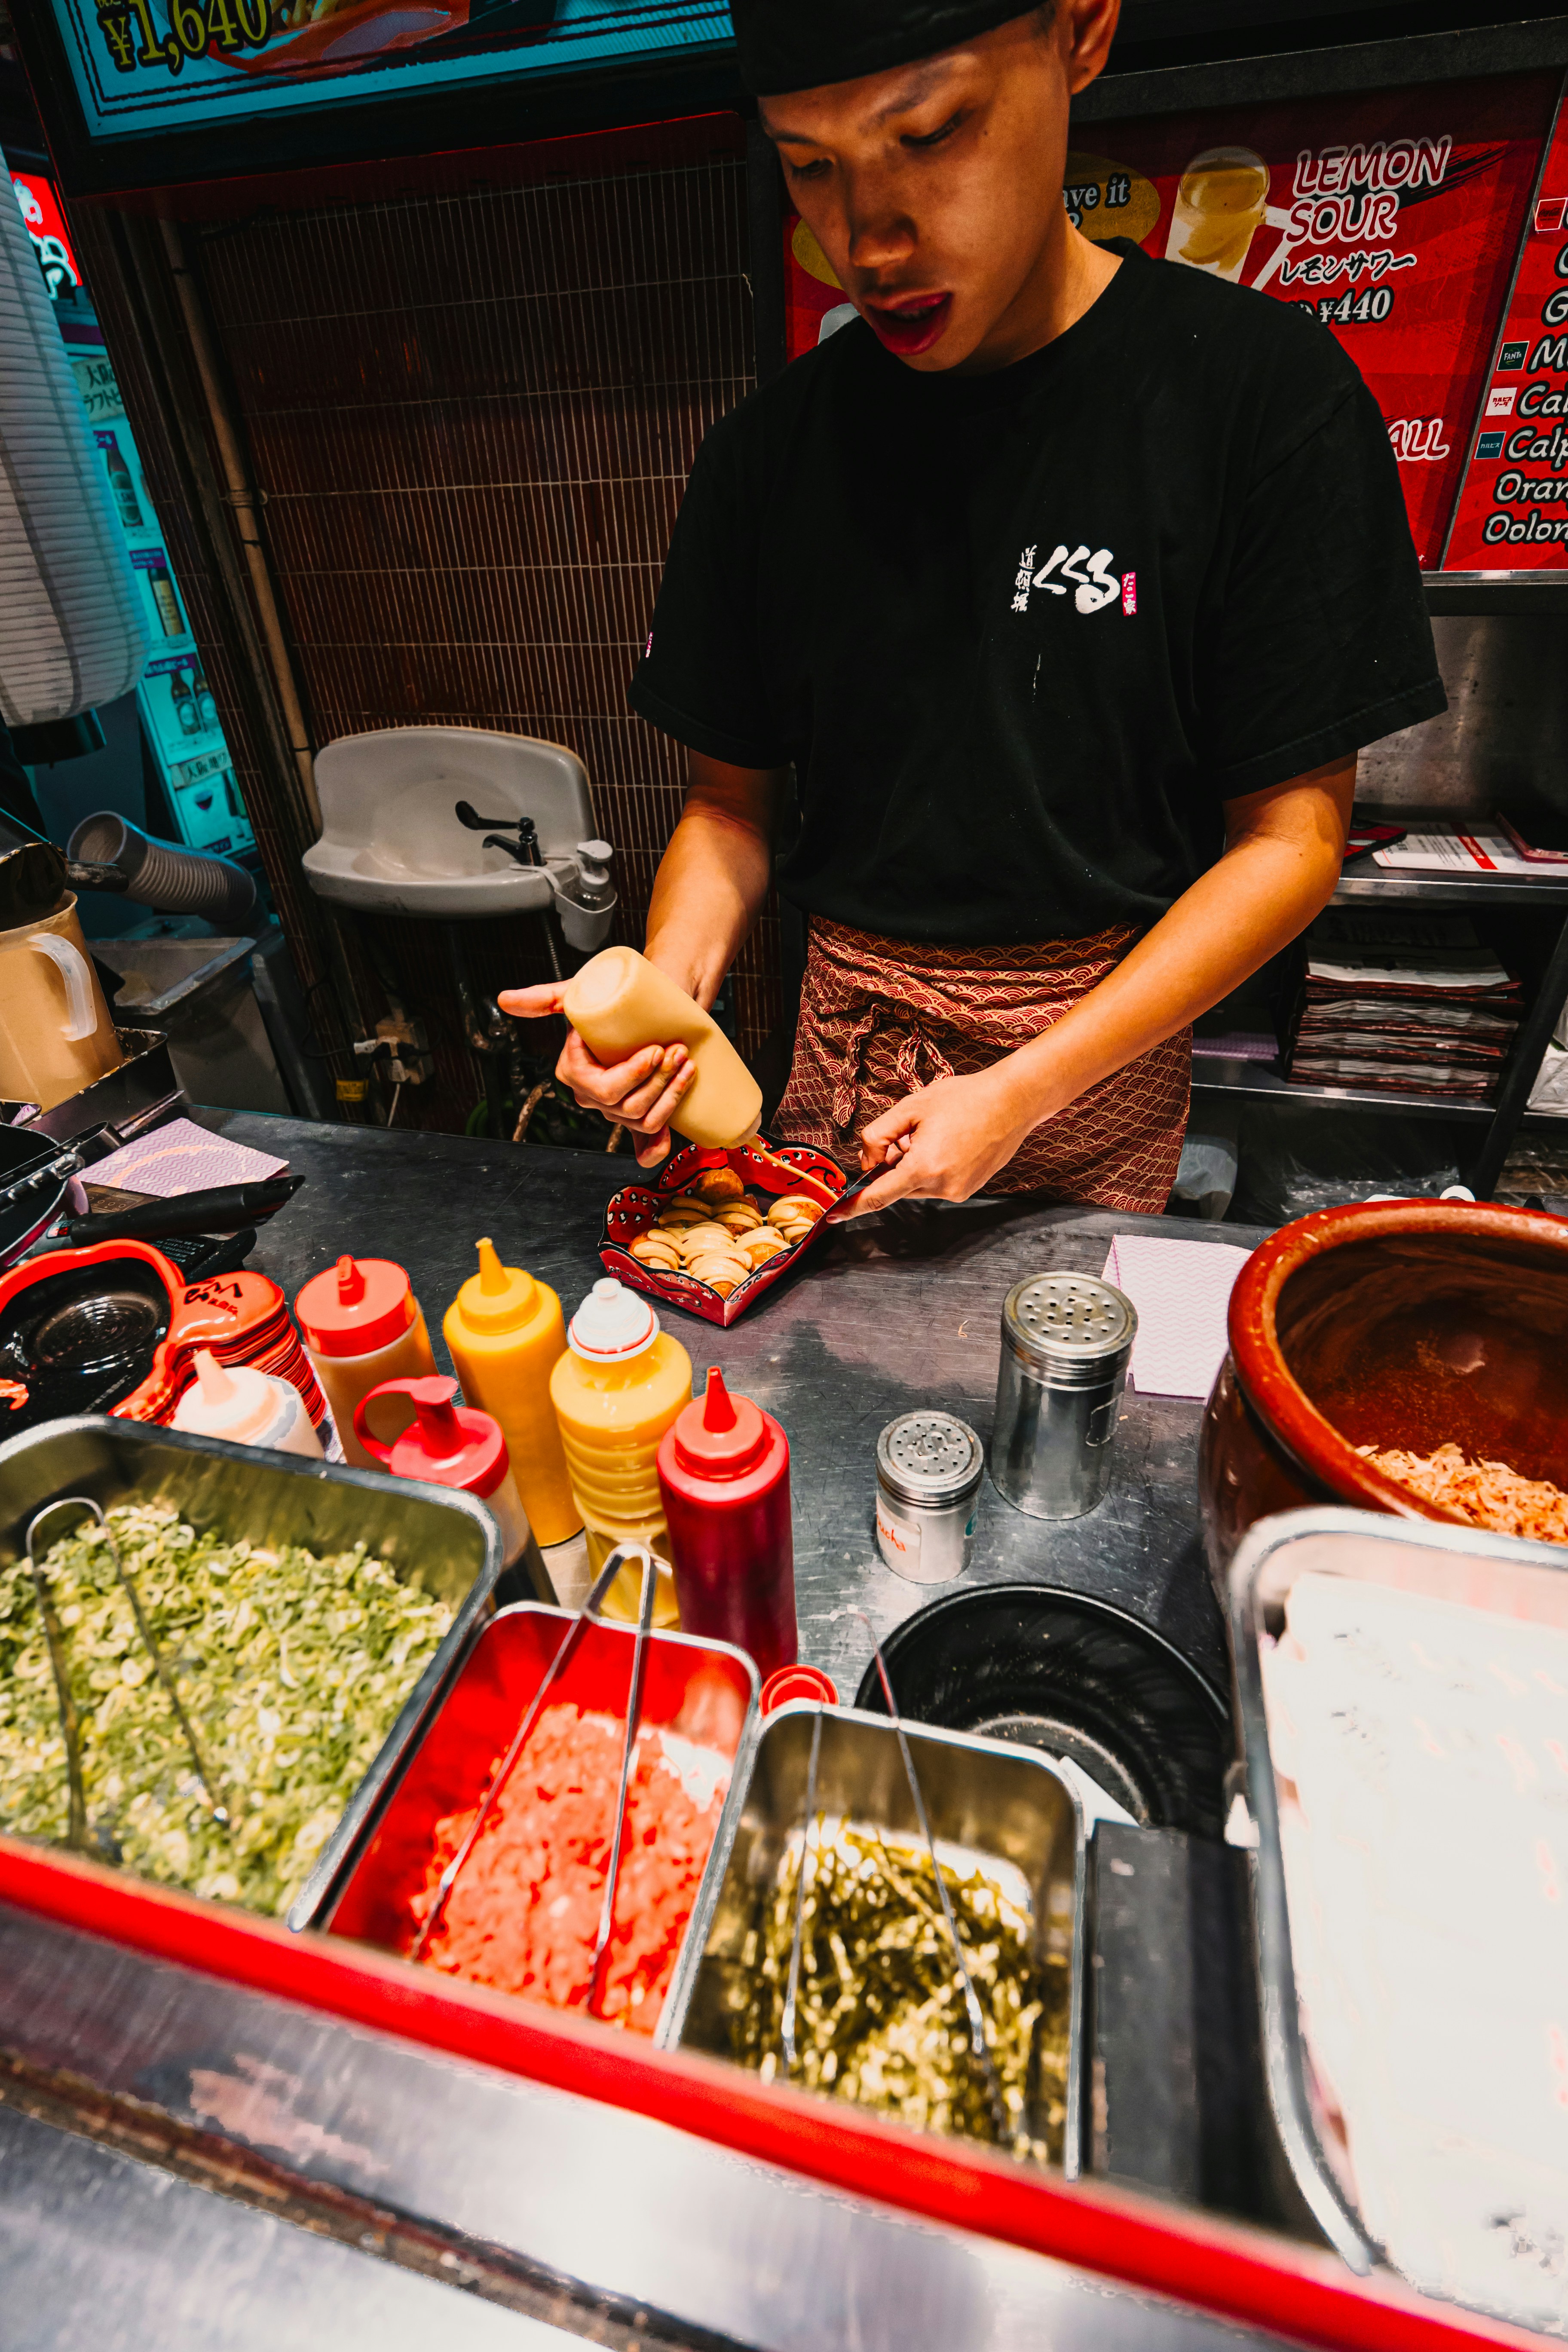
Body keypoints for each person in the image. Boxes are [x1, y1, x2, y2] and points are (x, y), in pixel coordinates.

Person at [503, 0, 1444, 1216]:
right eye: (809, 167)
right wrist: (663, 1006)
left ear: (1082, 35)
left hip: (1092, 1064)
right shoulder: (769, 455)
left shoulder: (1258, 399)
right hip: (839, 1051)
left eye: (933, 135)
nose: (868, 239)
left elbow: (1290, 845)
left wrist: (1022, 1088)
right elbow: (731, 808)